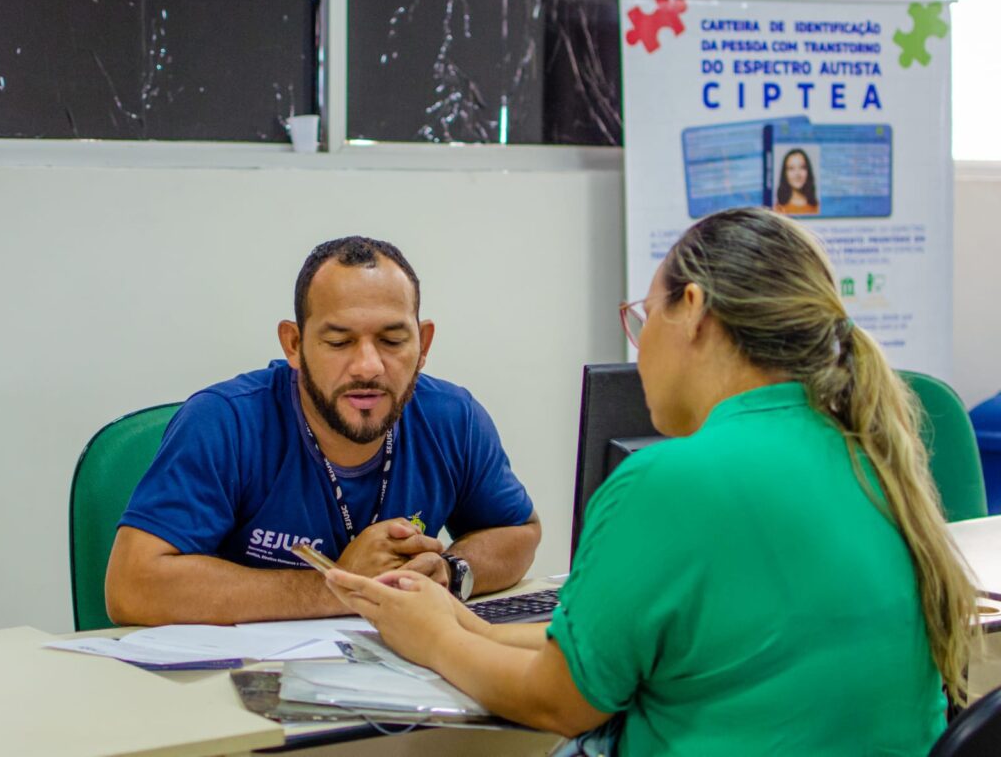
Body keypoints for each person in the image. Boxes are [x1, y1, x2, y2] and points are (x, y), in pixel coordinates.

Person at [323, 209, 976, 755]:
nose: (639, 350)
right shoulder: (872, 456)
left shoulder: (667, 482)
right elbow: (664, 648)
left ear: (692, 309)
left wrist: (435, 640)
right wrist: (468, 625)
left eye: (642, 319)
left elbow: (560, 700)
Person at [105, 236, 541, 625]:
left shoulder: (454, 418)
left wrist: (451, 571)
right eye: (338, 342)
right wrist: (340, 588)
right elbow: (132, 586)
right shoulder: (223, 421)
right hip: (247, 678)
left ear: (423, 345)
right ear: (294, 345)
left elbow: (520, 533)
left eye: (392, 341)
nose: (368, 366)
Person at [774, 147, 820, 216]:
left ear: (808, 171)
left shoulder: (817, 207)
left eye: (802, 167)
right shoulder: (777, 209)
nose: (797, 174)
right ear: (785, 174)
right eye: (791, 168)